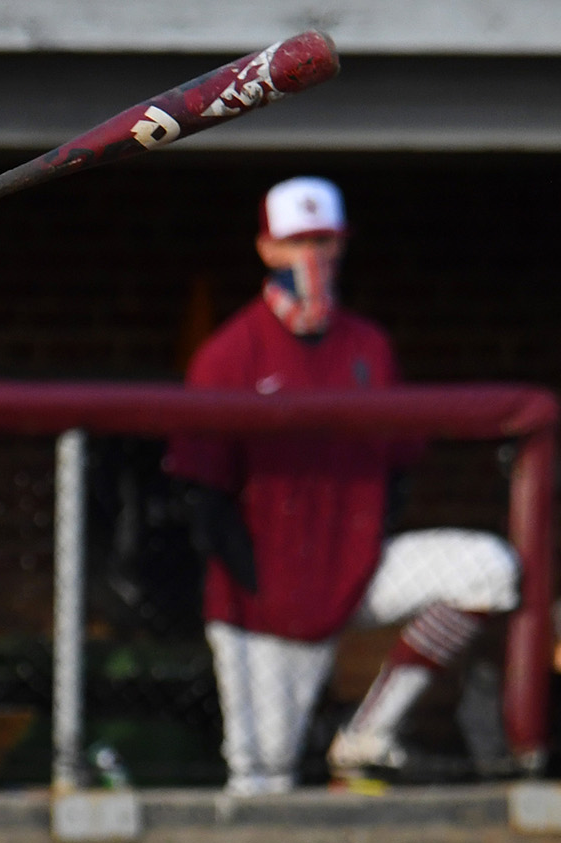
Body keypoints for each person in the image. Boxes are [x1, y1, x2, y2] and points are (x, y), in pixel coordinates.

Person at [166, 177, 519, 795]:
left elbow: (401, 464)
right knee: (263, 779)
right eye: (296, 239)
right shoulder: (230, 352)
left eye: (324, 238)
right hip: (264, 601)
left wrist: (363, 538)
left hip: (353, 573)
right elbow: (203, 496)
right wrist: (260, 584)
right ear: (267, 249)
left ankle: (368, 733)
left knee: (488, 569)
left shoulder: (368, 346)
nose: (312, 253)